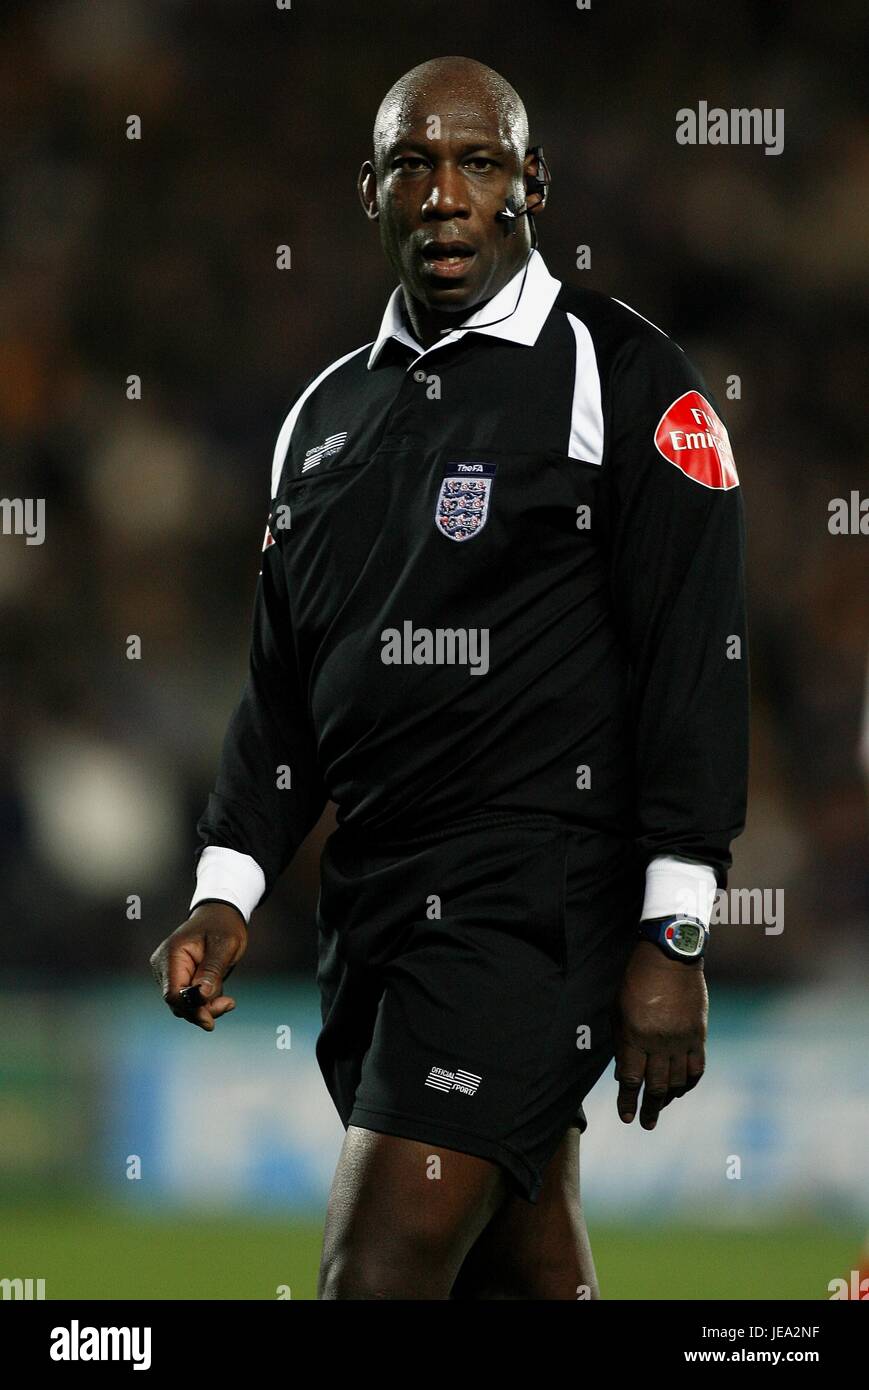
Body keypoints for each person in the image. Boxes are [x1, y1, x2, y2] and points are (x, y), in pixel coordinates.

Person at [150, 55, 749, 1300]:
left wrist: (674, 931)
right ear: (368, 189)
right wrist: (226, 884)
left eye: (477, 163)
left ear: (531, 184)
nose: (443, 195)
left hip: (531, 896)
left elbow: (694, 664)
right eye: (412, 165)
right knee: (519, 1273)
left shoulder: (622, 378)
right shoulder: (320, 419)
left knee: (374, 1274)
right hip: (373, 909)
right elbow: (283, 695)